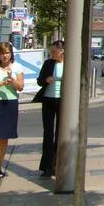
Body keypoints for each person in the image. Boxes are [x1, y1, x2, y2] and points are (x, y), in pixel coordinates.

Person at [0, 42, 24, 183]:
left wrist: (12, 79)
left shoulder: (17, 67)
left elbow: (20, 87)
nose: (5, 56)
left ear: (11, 54)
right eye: (2, 53)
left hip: (10, 103)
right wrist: (1, 82)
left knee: (4, 138)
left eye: (7, 53)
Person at [36, 40, 64, 177]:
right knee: (48, 133)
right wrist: (46, 80)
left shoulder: (69, 64)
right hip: (48, 99)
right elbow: (39, 80)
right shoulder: (48, 63)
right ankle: (46, 166)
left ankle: (57, 163)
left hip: (63, 101)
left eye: (54, 51)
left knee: (60, 132)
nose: (52, 54)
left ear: (62, 51)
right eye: (51, 51)